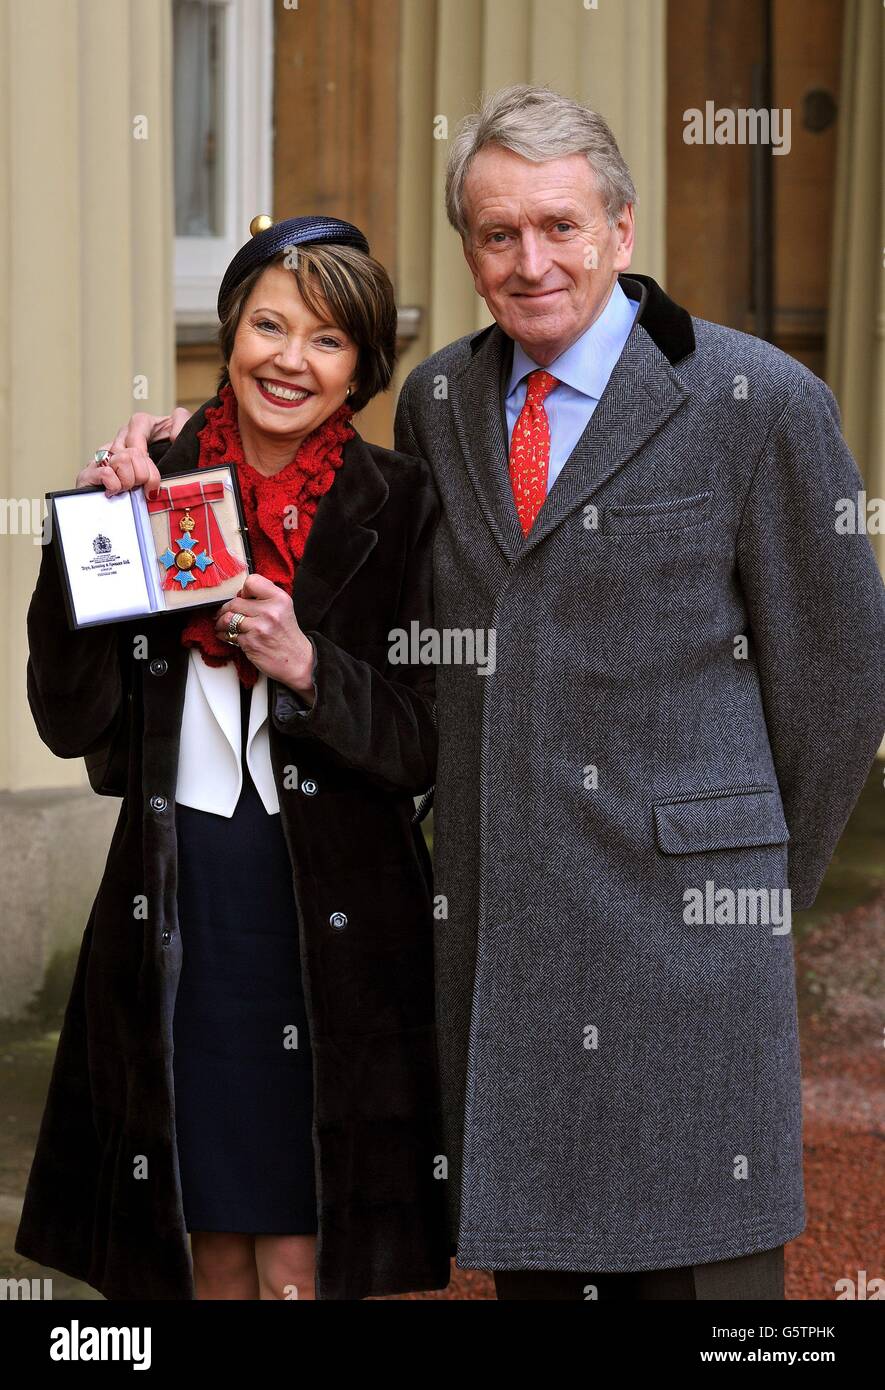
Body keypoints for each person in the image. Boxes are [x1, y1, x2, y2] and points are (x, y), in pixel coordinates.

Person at [95, 85, 885, 1302]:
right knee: (540, 1265)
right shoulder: (444, 402)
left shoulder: (758, 402)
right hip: (507, 930)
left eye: (562, 227)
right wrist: (155, 485)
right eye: (499, 233)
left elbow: (838, 687)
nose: (533, 262)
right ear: (468, 252)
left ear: (621, 232)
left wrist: (747, 886)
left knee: (712, 1287)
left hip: (686, 944)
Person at [15, 215, 450, 1301]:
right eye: (269, 324)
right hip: (178, 898)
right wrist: (85, 546)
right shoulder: (153, 479)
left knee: (305, 1245)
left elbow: (425, 738)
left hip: (332, 914)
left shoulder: (398, 508)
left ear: (362, 371)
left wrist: (310, 666)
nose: (290, 360)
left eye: (328, 340)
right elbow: (70, 723)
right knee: (198, 1225)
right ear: (228, 333)